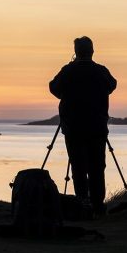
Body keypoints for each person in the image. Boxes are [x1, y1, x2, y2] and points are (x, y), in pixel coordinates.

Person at [49, 37, 117, 216]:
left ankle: (82, 204)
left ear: (76, 51)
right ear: (92, 51)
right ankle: (98, 206)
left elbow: (53, 88)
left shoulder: (68, 70)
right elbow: (112, 85)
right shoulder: (101, 71)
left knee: (78, 166)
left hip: (73, 127)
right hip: (97, 127)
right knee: (97, 167)